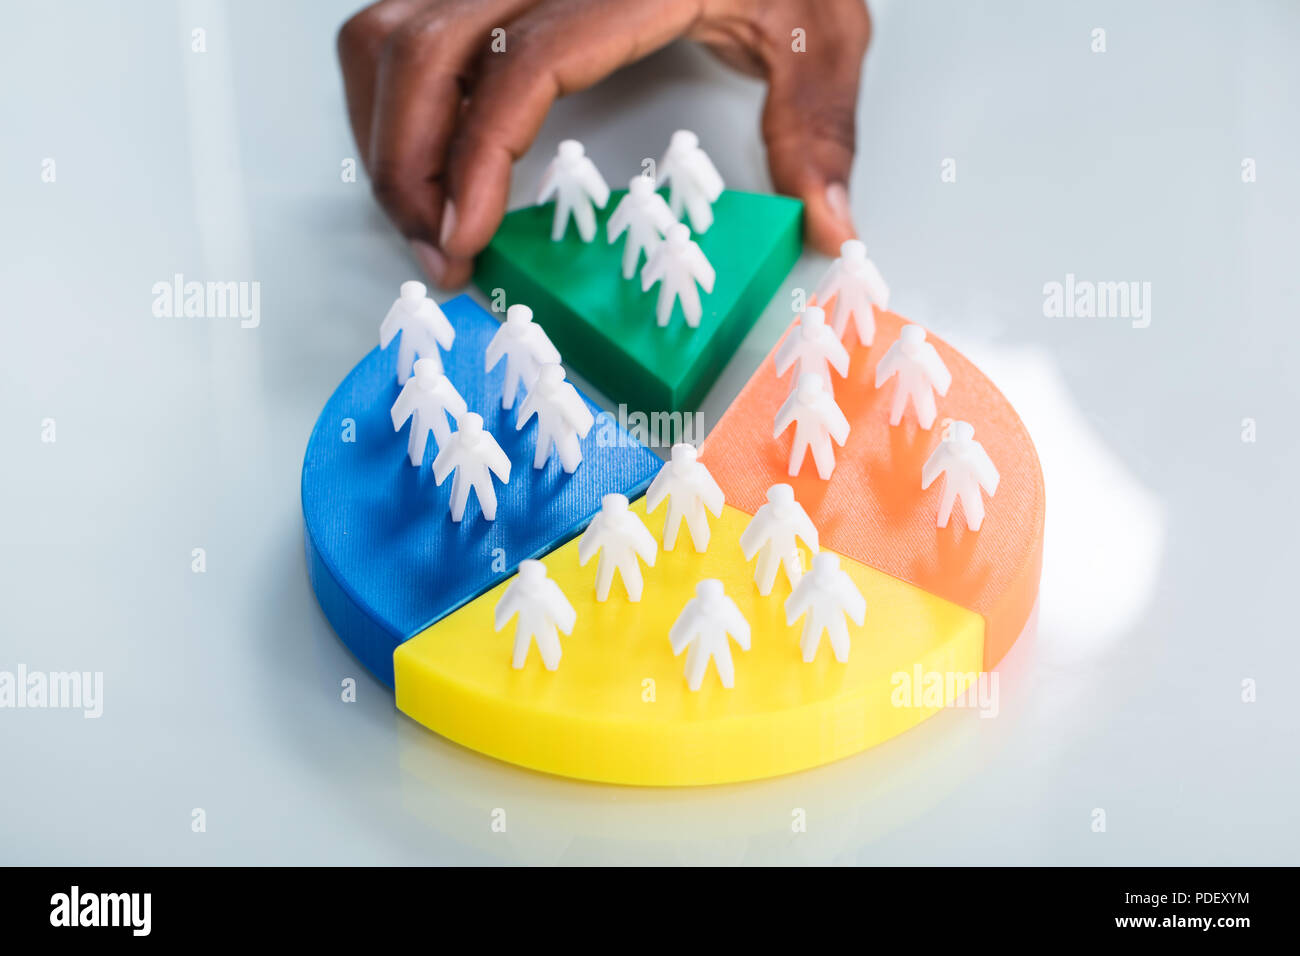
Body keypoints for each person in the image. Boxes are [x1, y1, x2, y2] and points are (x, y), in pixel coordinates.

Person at [336, 0, 872, 287]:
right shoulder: (612, 192)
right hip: (622, 220)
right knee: (594, 232)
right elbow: (598, 201)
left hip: (669, 233)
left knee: (667, 260)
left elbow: (678, 203)